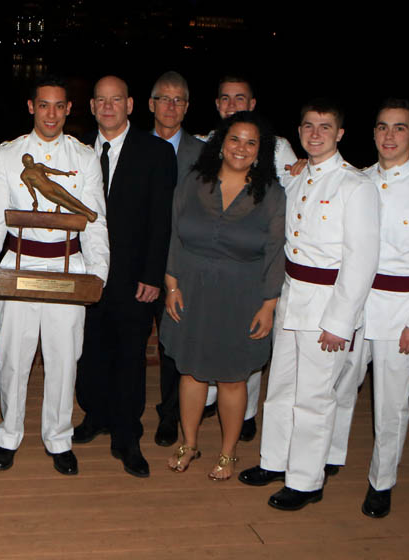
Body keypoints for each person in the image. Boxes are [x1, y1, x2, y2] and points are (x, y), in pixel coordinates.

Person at [238, 100, 380, 511]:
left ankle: (306, 480)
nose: (315, 133)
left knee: (315, 398)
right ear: (298, 132)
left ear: (340, 134)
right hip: (291, 298)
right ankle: (275, 460)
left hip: (327, 305)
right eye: (308, 126)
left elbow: (362, 261)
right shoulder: (296, 178)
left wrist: (341, 321)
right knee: (279, 388)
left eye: (325, 127)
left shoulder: (355, 186)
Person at [326, 99, 409, 517]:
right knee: (339, 386)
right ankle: (329, 455)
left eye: (399, 128)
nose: (389, 135)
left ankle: (381, 482)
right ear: (373, 133)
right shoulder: (357, 181)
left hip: (401, 312)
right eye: (383, 127)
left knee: (390, 403)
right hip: (355, 305)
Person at [0, 76, 109, 475]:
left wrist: (99, 272)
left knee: (64, 358)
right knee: (13, 357)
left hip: (69, 265)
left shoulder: (84, 157)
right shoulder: (7, 155)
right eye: (44, 105)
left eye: (59, 106)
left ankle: (58, 437)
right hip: (19, 265)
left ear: (69, 109)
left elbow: (96, 221)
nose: (52, 114)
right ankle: (8, 434)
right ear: (31, 107)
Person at [160, 111, 284, 481]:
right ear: (221, 143)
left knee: (232, 378)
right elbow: (174, 237)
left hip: (241, 296)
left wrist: (268, 305)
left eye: (251, 142)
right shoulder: (194, 182)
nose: (241, 148)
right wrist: (172, 286)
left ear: (261, 151)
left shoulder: (272, 195)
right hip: (192, 290)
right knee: (191, 372)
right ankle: (189, 443)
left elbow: (277, 252)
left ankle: (228, 453)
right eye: (234, 139)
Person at [72, 76, 176, 478]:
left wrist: (153, 274)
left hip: (134, 275)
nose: (109, 107)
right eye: (101, 100)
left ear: (131, 104)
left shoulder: (157, 152)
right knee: (91, 350)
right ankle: (95, 415)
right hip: (86, 273)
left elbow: (161, 220)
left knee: (130, 356)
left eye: (116, 100)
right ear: (93, 106)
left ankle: (127, 435)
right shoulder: (78, 151)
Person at [198, 74, 299, 442]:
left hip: (256, 259)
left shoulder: (280, 148)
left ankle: (248, 412)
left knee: (249, 338)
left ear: (253, 104)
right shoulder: (206, 144)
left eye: (239, 98)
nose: (231, 105)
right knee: (210, 330)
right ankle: (209, 397)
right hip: (215, 256)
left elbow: (295, 196)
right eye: (224, 98)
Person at [146, 71, 206, 447]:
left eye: (178, 100)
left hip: (183, 267)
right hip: (138, 264)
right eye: (163, 99)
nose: (171, 106)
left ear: (186, 107)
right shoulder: (133, 145)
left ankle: (169, 415)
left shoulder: (203, 155)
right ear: (151, 104)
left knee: (174, 347)